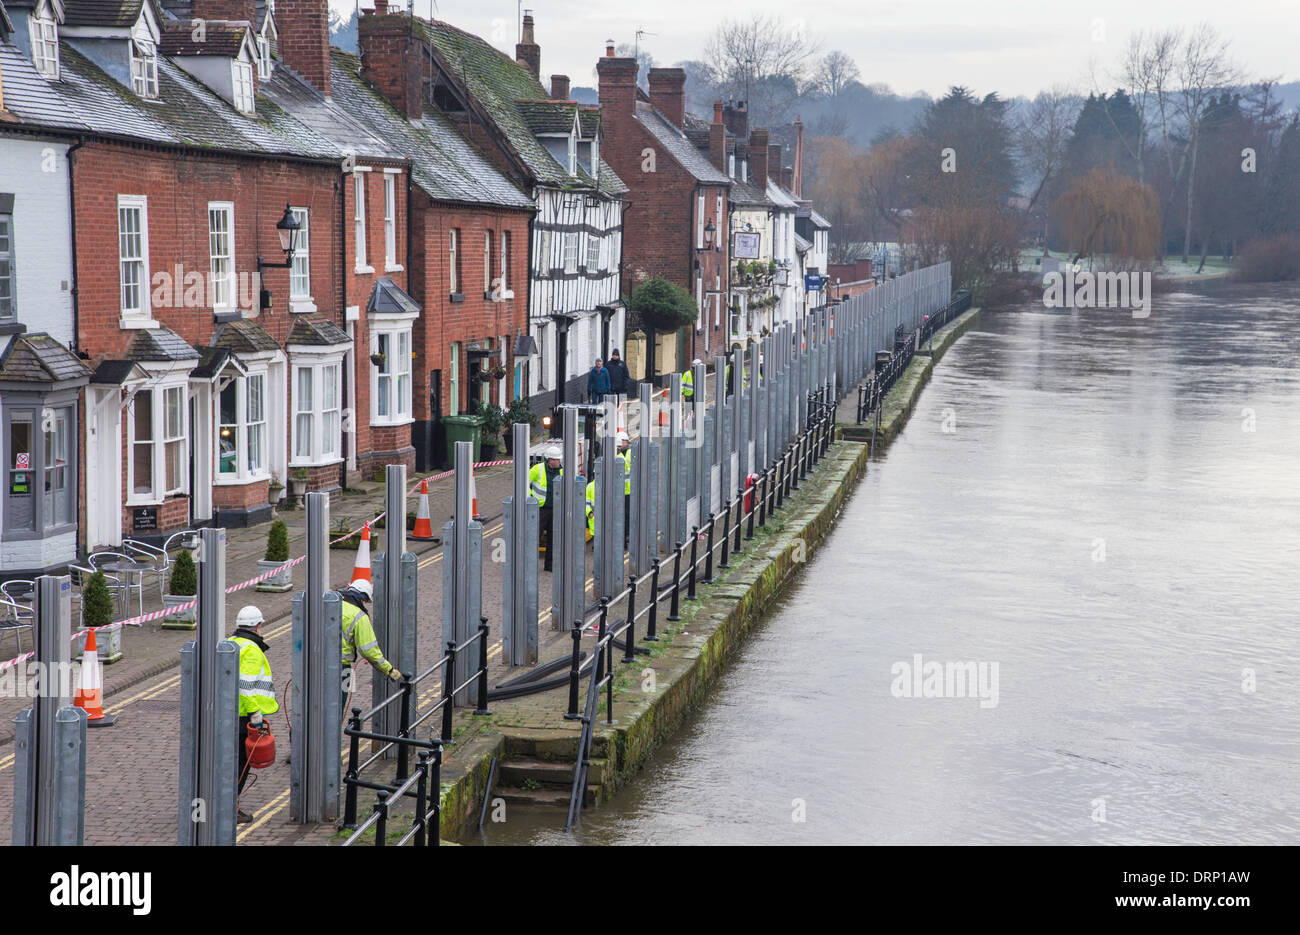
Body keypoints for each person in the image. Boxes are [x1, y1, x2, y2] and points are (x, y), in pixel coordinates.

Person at [231, 605, 278, 823]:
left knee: (227, 762)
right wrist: (255, 714)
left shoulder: (231, 643)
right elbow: (246, 685)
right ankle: (230, 807)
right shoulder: (252, 649)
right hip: (243, 717)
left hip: (226, 714)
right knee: (241, 765)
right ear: (258, 626)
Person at [339, 579, 401, 717]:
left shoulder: (331, 604)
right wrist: (389, 670)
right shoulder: (359, 616)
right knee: (338, 708)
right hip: (343, 669)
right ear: (363, 598)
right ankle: (331, 738)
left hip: (316, 664)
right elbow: (369, 651)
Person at [531, 443, 563, 570]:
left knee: (553, 538)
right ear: (550, 460)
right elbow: (524, 483)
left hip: (556, 509)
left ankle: (549, 566)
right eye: (556, 459)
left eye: (559, 459)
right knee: (534, 536)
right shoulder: (537, 469)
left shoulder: (562, 471)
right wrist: (530, 499)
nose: (559, 461)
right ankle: (530, 564)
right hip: (540, 509)